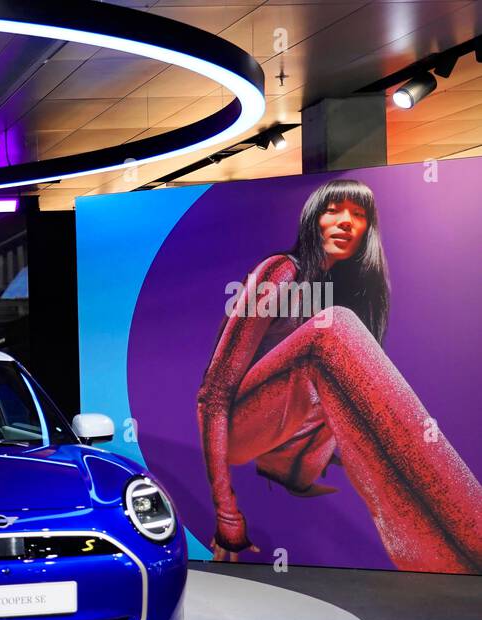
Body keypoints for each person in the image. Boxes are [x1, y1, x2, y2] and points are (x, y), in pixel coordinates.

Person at [196, 178, 482, 572]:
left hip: (294, 453)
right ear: (313, 220)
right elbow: (213, 393)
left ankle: (459, 559)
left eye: (359, 214)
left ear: (368, 232)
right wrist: (226, 514)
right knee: (333, 328)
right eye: (334, 210)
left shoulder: (345, 291)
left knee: (384, 455)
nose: (347, 221)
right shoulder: (281, 271)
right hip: (243, 431)